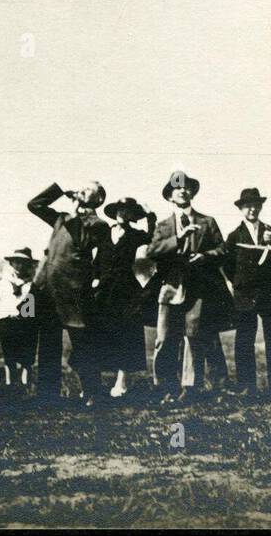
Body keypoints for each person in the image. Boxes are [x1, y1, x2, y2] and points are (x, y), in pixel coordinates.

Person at [27, 180, 112, 406]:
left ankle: (93, 393)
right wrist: (57, 190)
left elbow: (87, 244)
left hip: (75, 291)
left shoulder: (98, 224)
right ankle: (47, 395)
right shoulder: (61, 219)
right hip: (49, 290)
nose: (80, 190)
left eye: (87, 190)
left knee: (82, 343)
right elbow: (34, 205)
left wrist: (76, 213)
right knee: (47, 343)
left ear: (98, 200)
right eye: (81, 188)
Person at [147, 173, 229, 405]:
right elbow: (152, 251)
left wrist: (205, 256)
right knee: (164, 339)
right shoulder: (163, 226)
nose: (183, 191)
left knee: (193, 337)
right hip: (171, 289)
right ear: (170, 196)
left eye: (187, 188)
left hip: (198, 290)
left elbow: (223, 250)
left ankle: (189, 388)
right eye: (177, 188)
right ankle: (164, 386)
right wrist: (177, 237)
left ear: (192, 192)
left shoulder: (207, 222)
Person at [223, 188, 271, 399]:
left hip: (268, 293)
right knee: (244, 339)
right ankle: (246, 386)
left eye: (255, 205)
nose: (252, 209)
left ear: (260, 207)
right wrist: (239, 284)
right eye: (247, 205)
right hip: (244, 294)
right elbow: (227, 265)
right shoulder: (234, 236)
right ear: (241, 209)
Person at [99, 198, 158, 401]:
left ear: (133, 215)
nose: (123, 213)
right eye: (120, 209)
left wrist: (150, 215)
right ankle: (95, 386)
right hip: (104, 290)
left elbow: (154, 237)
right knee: (102, 333)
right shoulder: (104, 233)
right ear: (115, 212)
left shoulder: (136, 235)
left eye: (128, 211)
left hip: (126, 290)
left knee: (127, 333)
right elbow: (98, 260)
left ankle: (121, 382)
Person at [0, 247, 39, 392]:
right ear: (11, 263)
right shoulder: (3, 284)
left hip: (27, 325)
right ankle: (9, 384)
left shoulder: (32, 285)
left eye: (24, 263)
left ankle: (25, 385)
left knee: (27, 356)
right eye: (17, 262)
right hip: (8, 324)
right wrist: (1, 318)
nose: (20, 266)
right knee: (9, 355)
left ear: (29, 265)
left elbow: (34, 305)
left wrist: (28, 317)